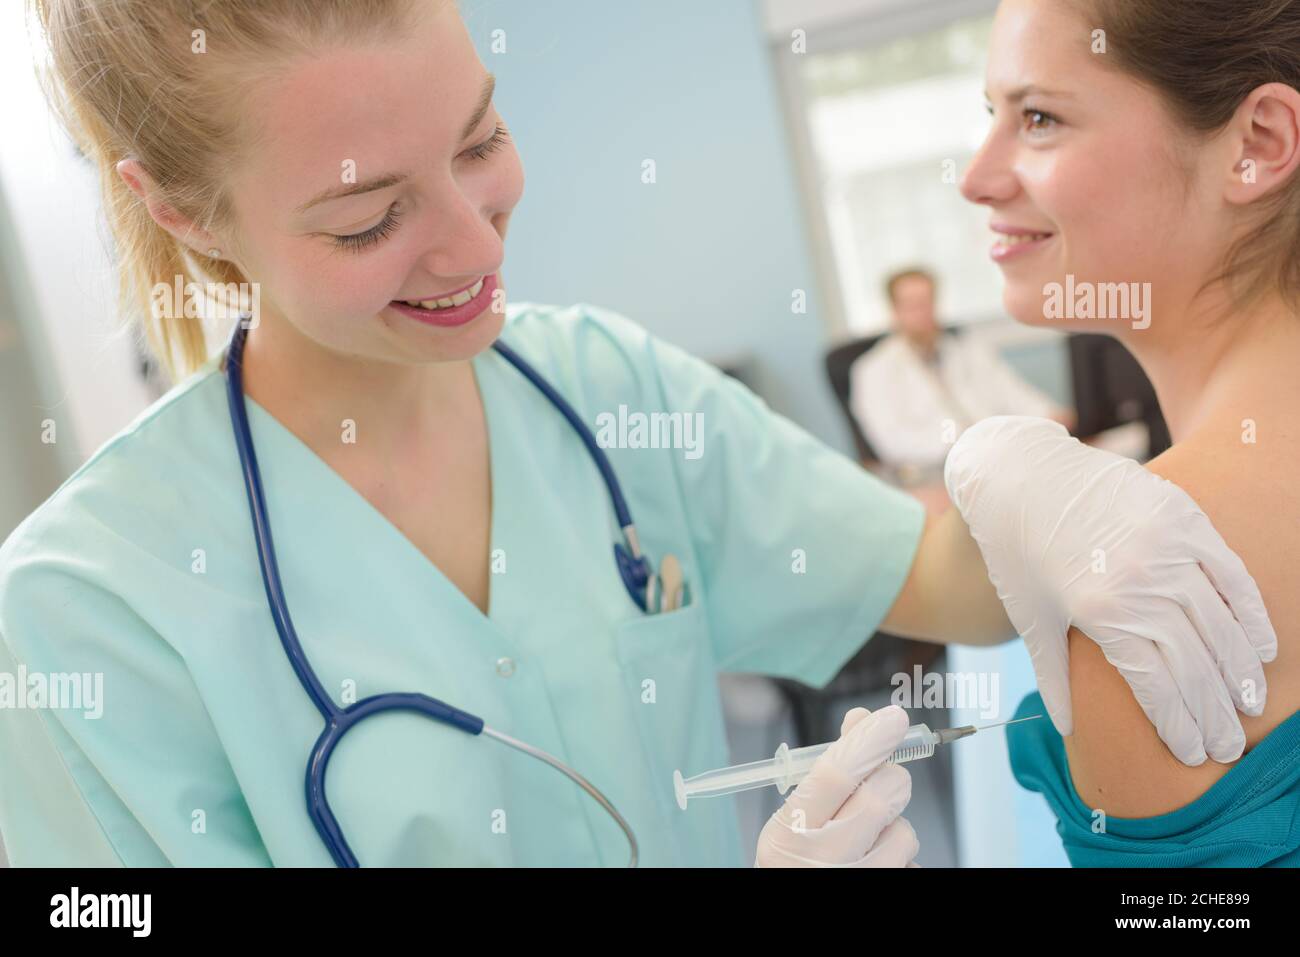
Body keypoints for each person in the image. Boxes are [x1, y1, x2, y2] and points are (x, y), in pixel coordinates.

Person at [0, 0, 1273, 867]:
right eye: (367, 220)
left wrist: (1011, 474)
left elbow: (944, 582)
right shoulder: (86, 612)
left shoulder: (604, 391)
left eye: (481, 141)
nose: (475, 242)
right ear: (182, 211)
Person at [950, 0, 1300, 865]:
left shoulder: (1155, 596)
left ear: (1258, 142)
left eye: (1039, 117)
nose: (976, 176)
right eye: (987, 115)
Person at [848, 267, 1073, 492]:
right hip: (934, 477)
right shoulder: (872, 370)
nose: (923, 313)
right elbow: (893, 443)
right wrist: (960, 438)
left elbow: (1011, 391)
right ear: (894, 311)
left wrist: (1048, 415)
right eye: (912, 305)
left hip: (998, 459)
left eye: (927, 302)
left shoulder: (967, 349)